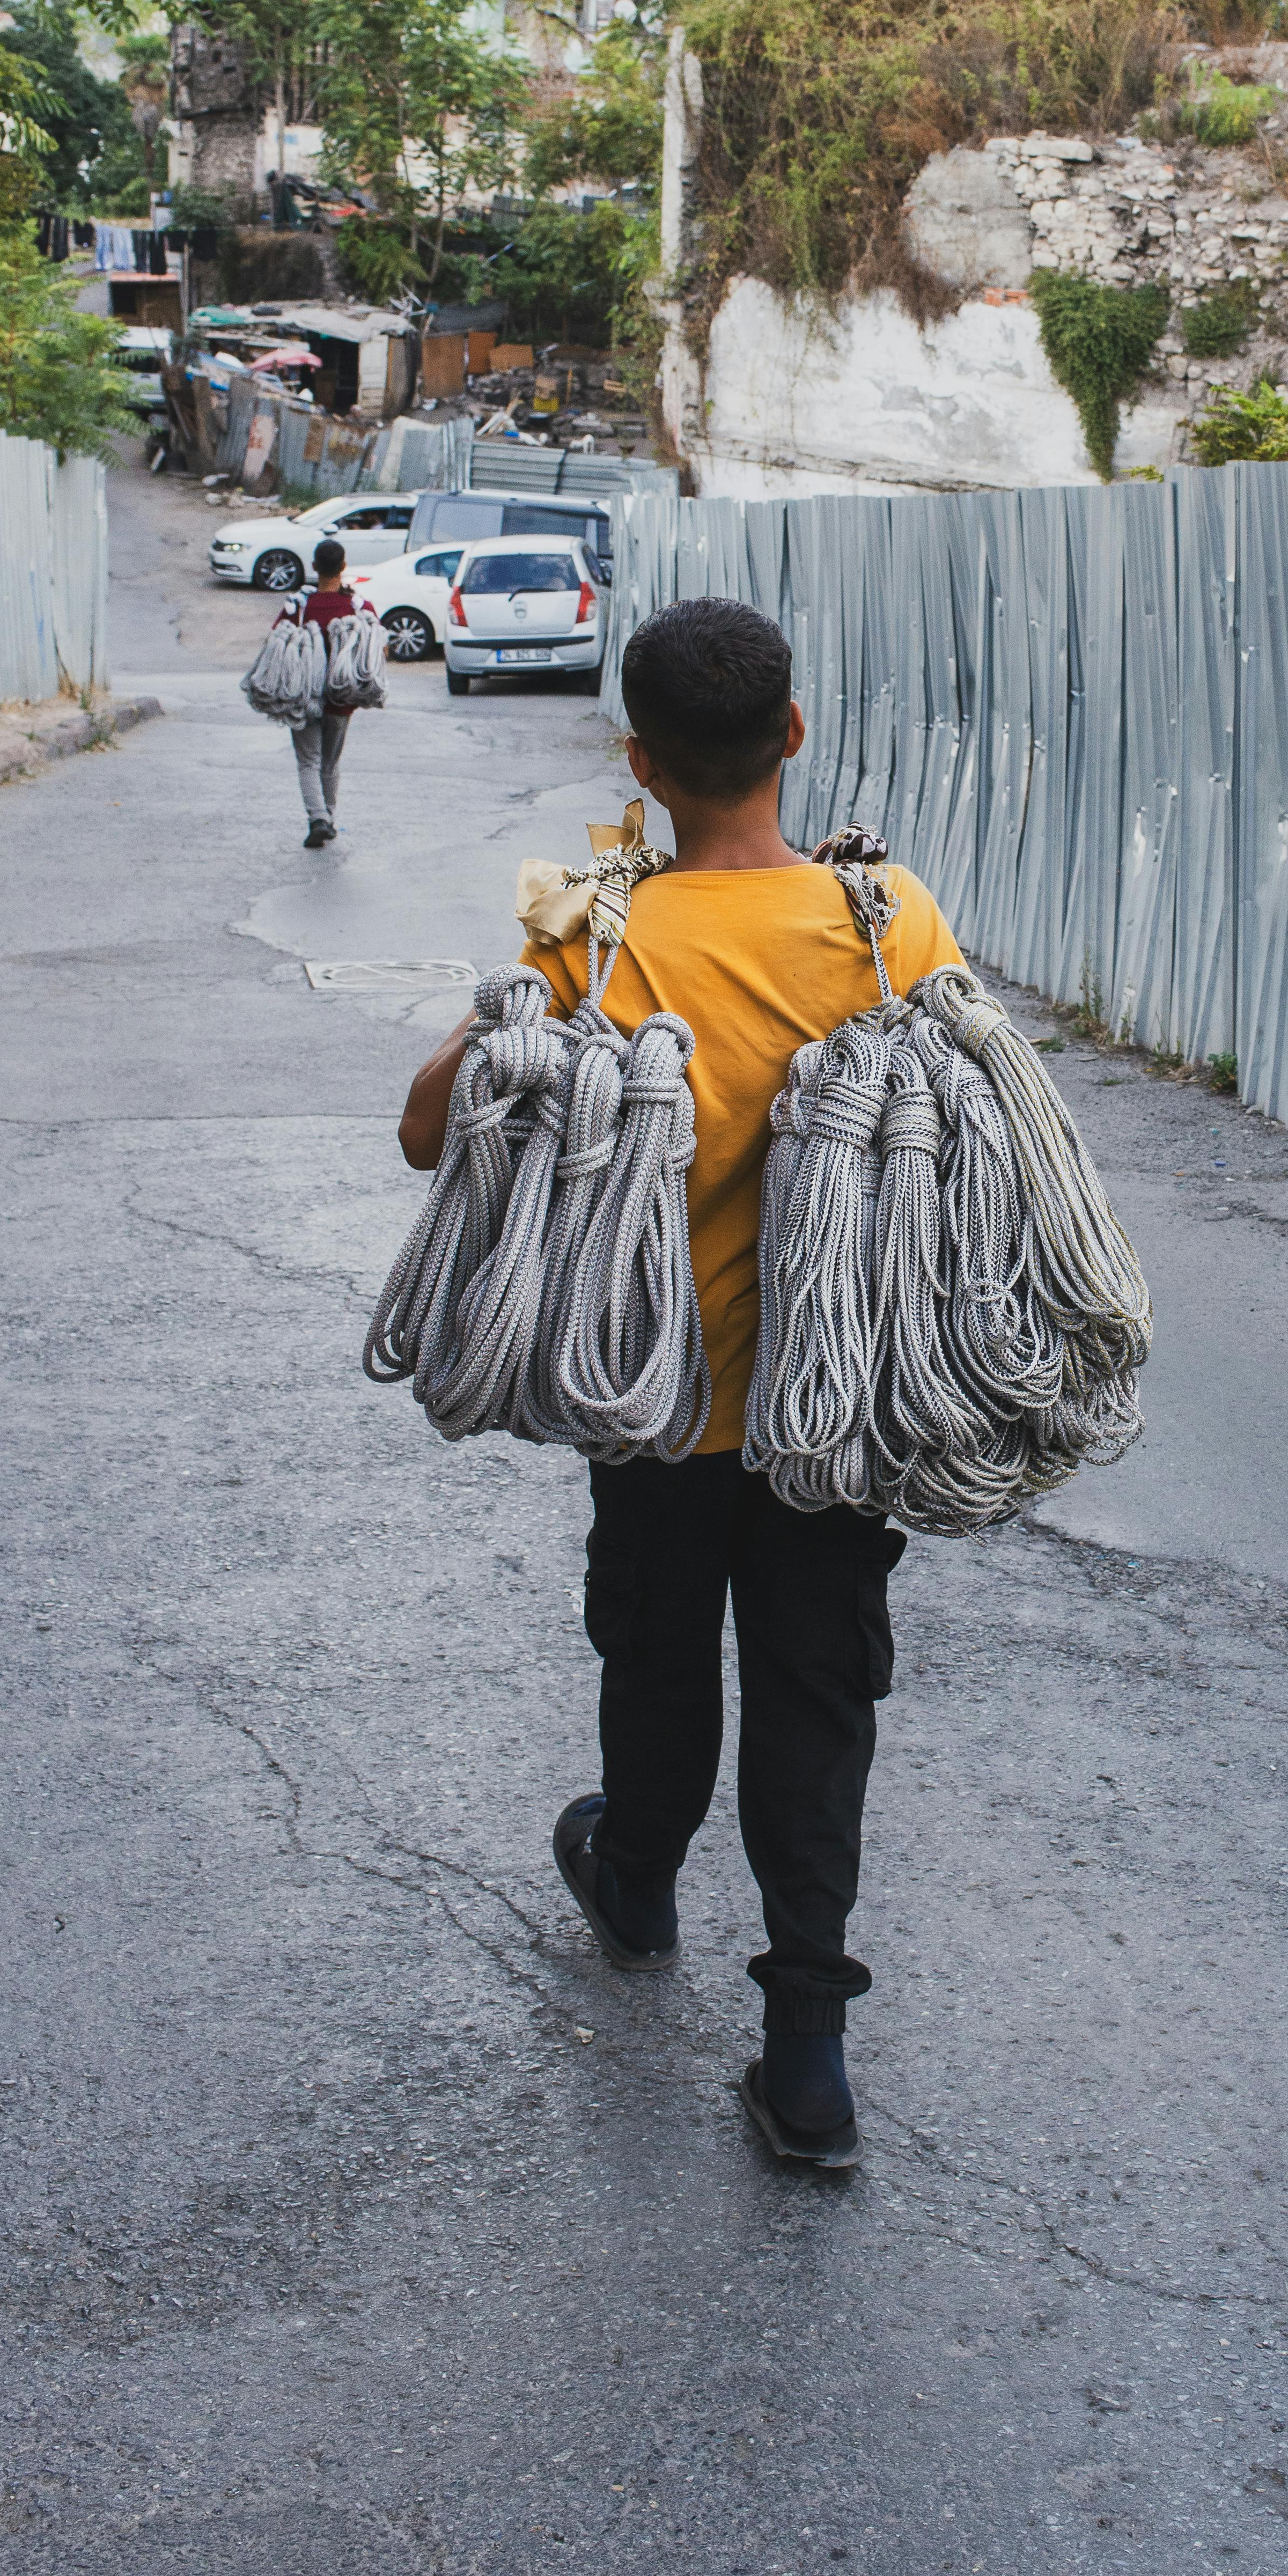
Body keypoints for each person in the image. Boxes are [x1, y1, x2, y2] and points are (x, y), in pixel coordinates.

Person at [393, 598, 964, 2169]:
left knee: (656, 1659)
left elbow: (432, 1131)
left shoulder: (599, 935)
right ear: (790, 735)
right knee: (814, 1691)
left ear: (638, 761)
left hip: (652, 1402)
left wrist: (509, 1011)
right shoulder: (886, 922)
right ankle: (807, 2053)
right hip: (832, 1408)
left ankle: (635, 1878)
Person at [286, 537, 360, 850]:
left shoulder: (299, 607)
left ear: (314, 567)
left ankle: (319, 820)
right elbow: (377, 648)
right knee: (330, 763)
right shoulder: (357, 607)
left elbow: (279, 643)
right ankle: (327, 818)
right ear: (343, 567)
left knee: (308, 762)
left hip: (304, 697)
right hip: (341, 702)